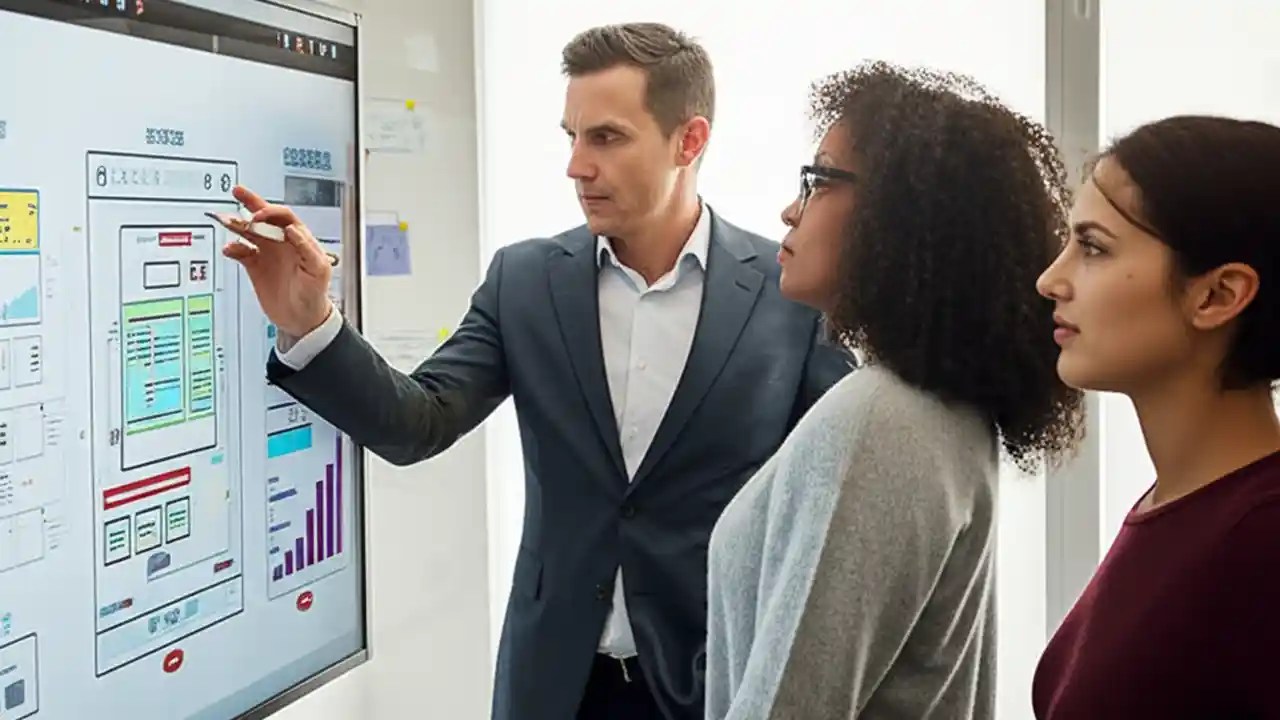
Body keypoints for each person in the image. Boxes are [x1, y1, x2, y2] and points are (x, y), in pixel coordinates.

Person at [222, 22, 852, 720]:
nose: (576, 165)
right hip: (554, 689)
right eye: (571, 137)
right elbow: (415, 424)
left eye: (605, 138)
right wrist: (309, 321)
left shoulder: (790, 292)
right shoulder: (525, 281)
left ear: (689, 141)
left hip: (721, 688)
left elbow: (840, 501)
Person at [703, 61, 1085, 719]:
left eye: (819, 180)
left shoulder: (884, 418)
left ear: (899, 217)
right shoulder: (931, 411)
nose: (791, 208)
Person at [1032, 116, 1280, 718]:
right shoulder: (1179, 508)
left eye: (1092, 247)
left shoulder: (1263, 545)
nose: (1049, 280)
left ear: (1218, 296)